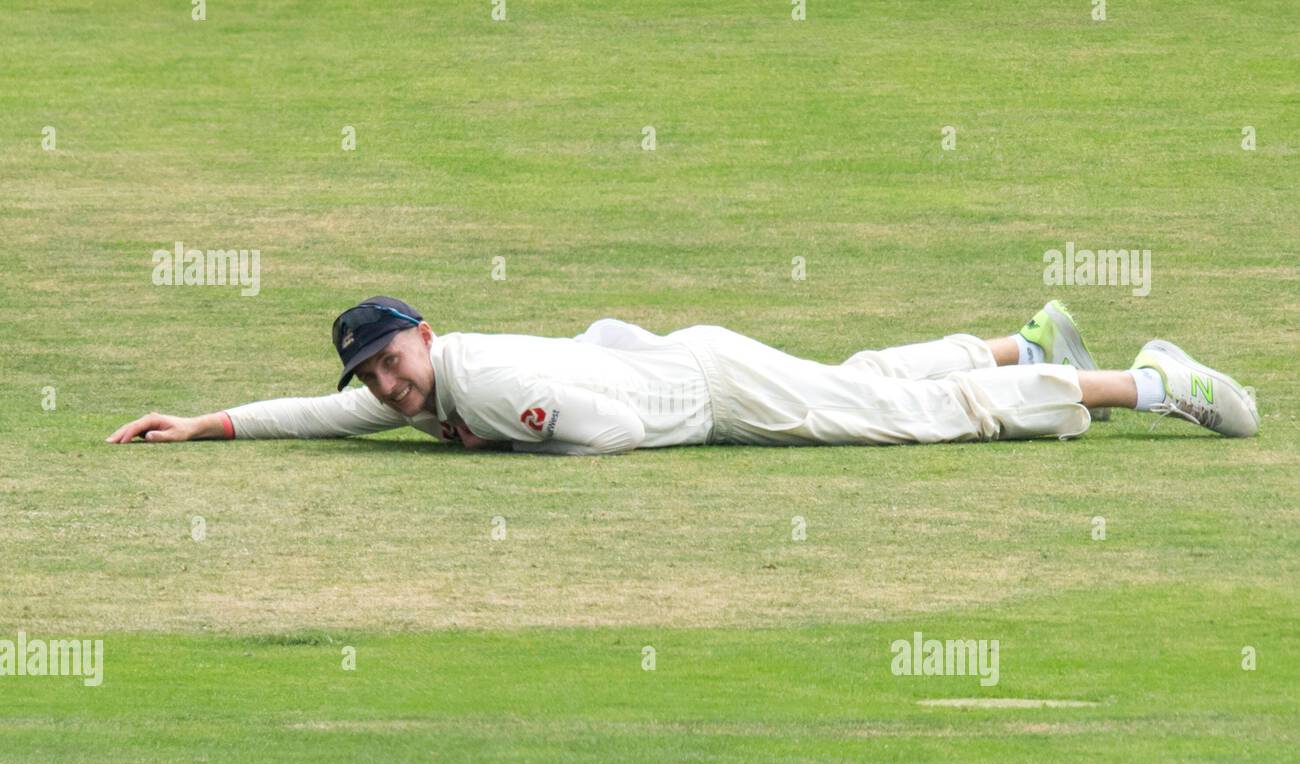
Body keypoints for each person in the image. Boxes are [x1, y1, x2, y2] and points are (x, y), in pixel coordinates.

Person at [106, 296, 1259, 454]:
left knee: (906, 419)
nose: (385, 387)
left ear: (424, 335)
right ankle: (1025, 342)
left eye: (391, 362)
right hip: (684, 357)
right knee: (857, 375)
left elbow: (604, 433)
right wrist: (208, 422)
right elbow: (332, 414)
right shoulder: (437, 377)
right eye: (374, 374)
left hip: (698, 396)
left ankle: (1145, 382)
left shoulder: (489, 391)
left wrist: (496, 446)